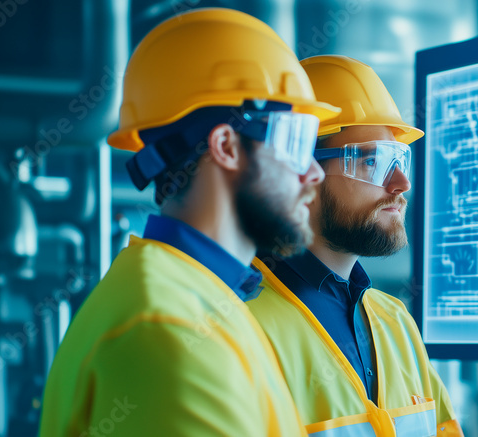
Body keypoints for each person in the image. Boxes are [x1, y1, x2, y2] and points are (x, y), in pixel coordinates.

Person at [39, 9, 338, 436]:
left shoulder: (201, 297)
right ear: (226, 147)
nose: (315, 172)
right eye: (296, 142)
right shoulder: (168, 327)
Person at [249, 55, 462, 436]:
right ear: (302, 171)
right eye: (371, 161)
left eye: (400, 160)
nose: (400, 183)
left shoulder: (396, 322)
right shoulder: (241, 321)